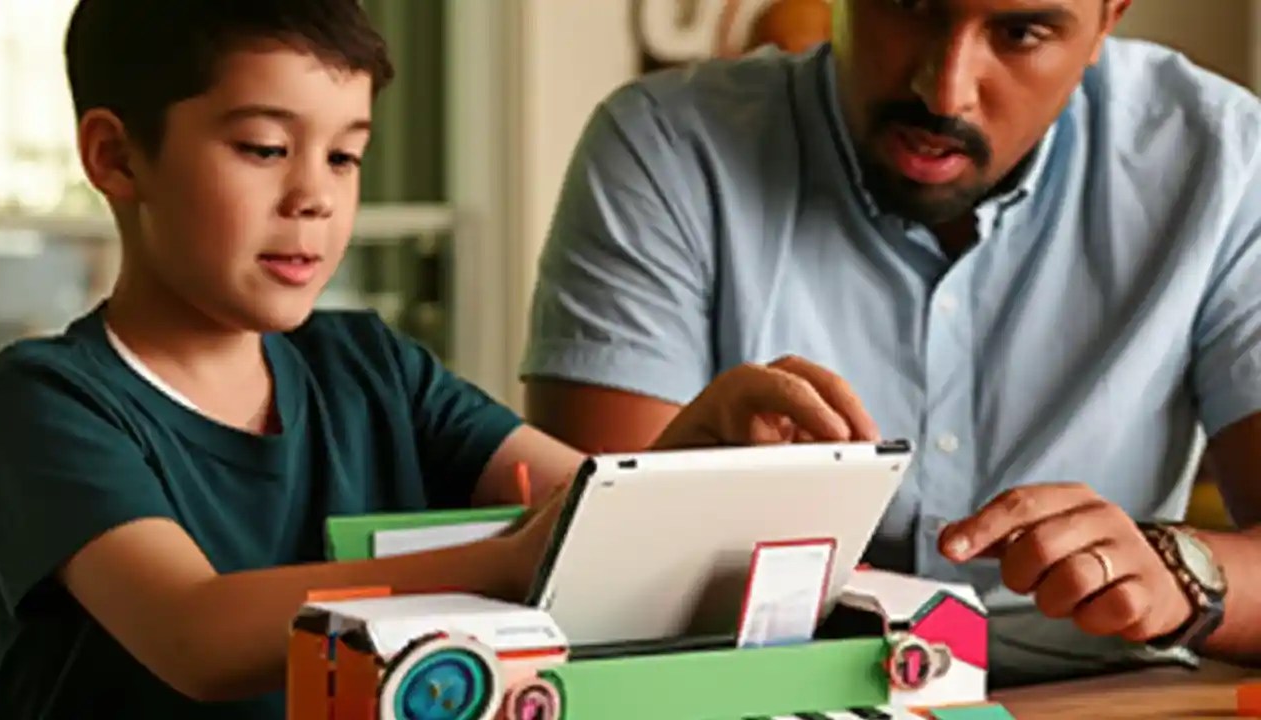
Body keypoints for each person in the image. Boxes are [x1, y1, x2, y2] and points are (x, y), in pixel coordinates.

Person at [0, 1, 865, 718]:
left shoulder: (372, 368)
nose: (314, 196)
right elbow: (197, 634)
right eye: (265, 149)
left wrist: (691, 454)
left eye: (345, 156)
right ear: (115, 156)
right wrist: (508, 561)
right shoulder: (45, 401)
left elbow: (587, 520)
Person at [523, 0, 1261, 667]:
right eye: (909, 7)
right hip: (763, 694)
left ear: (1107, 19)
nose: (945, 91)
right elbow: (594, 598)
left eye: (1020, 33)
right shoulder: (667, 147)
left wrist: (1182, 577)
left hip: (1101, 699)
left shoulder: (1225, 159)